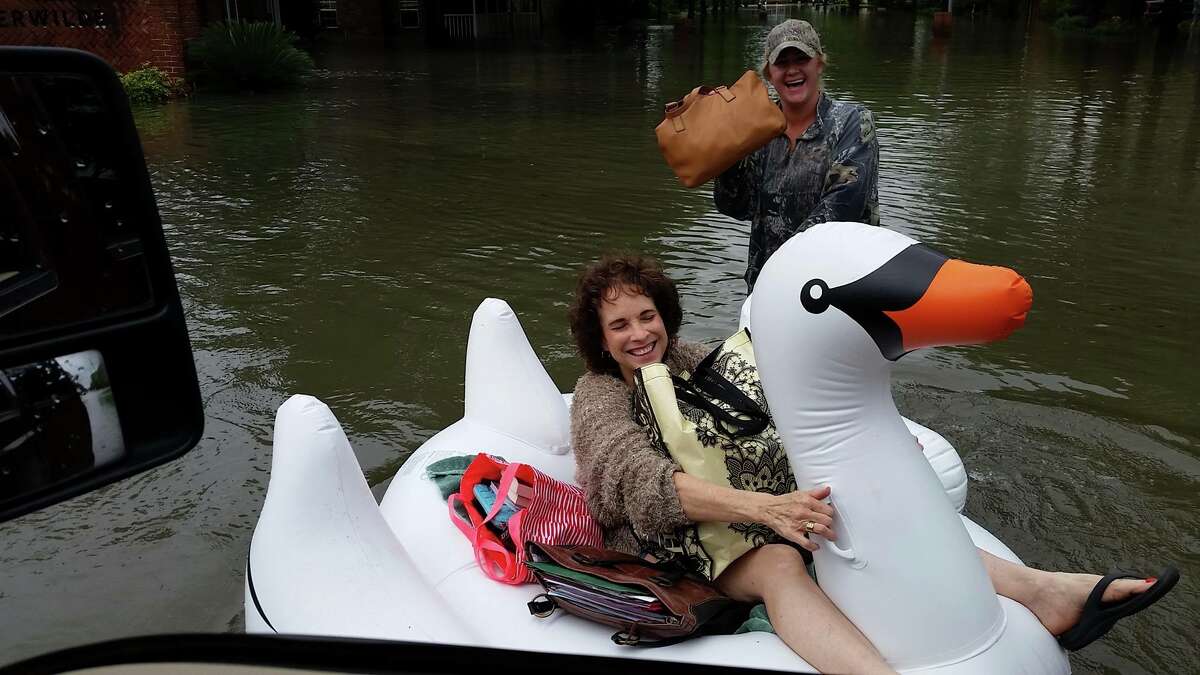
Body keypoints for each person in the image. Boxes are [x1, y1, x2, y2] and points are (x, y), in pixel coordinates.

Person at [567, 254, 1177, 674]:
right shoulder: (600, 395)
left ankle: (1046, 593)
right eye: (619, 325)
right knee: (781, 564)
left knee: (866, 509)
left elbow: (790, 406)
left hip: (770, 500)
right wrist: (770, 511)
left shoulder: (693, 359)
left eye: (646, 315)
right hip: (683, 534)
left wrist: (874, 450)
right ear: (600, 339)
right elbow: (639, 485)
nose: (639, 333)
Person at [715, 19, 880, 292]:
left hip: (837, 288)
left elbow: (842, 207)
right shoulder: (758, 133)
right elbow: (736, 206)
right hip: (768, 287)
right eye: (781, 62)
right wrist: (726, 156)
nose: (792, 70)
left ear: (819, 63)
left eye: (801, 58)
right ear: (769, 73)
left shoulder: (853, 121)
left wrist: (783, 264)